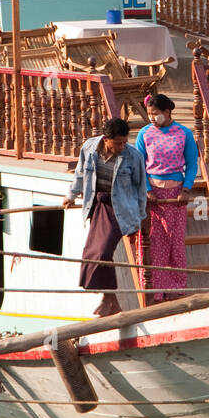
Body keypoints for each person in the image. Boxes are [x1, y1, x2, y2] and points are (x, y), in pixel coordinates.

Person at [63, 118, 147, 317]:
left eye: (124, 142)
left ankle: (109, 300)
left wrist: (140, 219)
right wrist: (70, 195)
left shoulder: (133, 156)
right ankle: (110, 300)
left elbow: (140, 188)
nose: (121, 146)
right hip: (98, 206)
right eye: (118, 142)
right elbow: (80, 174)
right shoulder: (90, 148)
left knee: (102, 252)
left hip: (121, 210)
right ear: (106, 139)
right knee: (94, 253)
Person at [134, 93, 199, 304]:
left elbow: (192, 164)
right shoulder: (144, 134)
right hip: (153, 195)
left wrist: (186, 190)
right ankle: (156, 290)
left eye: (156, 114)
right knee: (155, 241)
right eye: (149, 114)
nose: (152, 118)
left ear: (167, 112)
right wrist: (146, 190)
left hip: (176, 195)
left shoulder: (184, 133)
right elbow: (139, 165)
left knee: (175, 241)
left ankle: (177, 289)